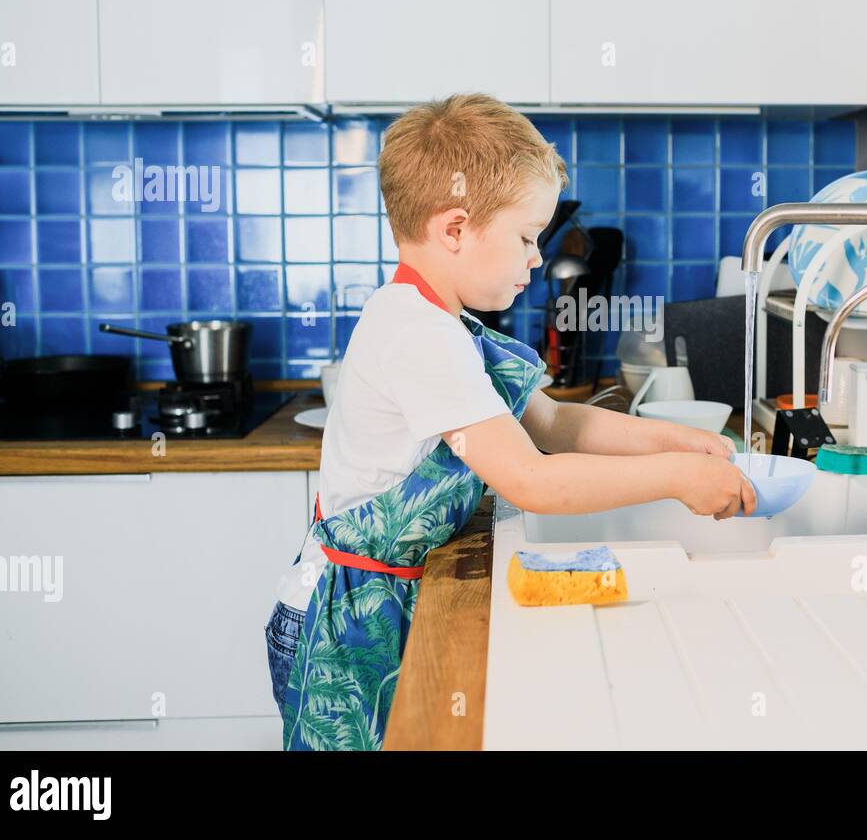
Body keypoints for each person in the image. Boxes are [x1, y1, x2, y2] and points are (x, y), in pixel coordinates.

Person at [264, 93, 755, 750]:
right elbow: (533, 480)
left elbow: (555, 426)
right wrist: (674, 477)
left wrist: (676, 439)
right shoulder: (418, 336)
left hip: (378, 603)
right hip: (342, 628)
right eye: (526, 237)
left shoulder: (445, 324)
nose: (535, 258)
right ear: (455, 229)